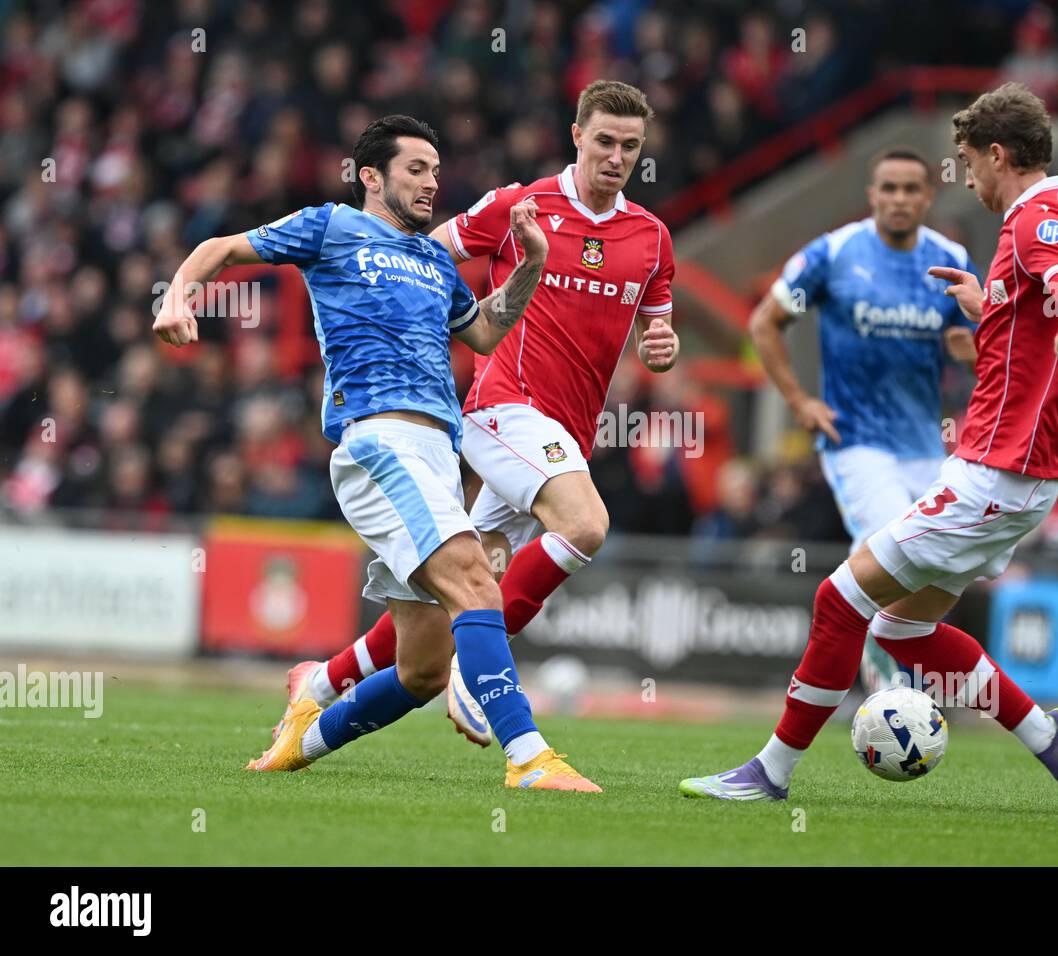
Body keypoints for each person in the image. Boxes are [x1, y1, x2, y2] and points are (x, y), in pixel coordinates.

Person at [680, 83, 1058, 811]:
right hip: (1010, 472)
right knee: (903, 626)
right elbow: (1040, 316)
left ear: (997, 154)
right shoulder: (1043, 213)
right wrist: (996, 310)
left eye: (968, 164)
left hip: (996, 472)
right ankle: (1050, 731)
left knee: (839, 598)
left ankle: (771, 772)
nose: (966, 179)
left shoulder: (1039, 214)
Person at [153, 115, 600, 792]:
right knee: (478, 582)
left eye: (436, 171)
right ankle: (530, 758)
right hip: (379, 443)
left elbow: (483, 332)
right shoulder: (331, 226)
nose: (431, 183)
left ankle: (304, 739)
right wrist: (181, 297)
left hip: (437, 457)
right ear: (372, 176)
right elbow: (223, 247)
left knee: (423, 667)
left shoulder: (431, 259)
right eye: (416, 170)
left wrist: (533, 263)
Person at [277, 80, 678, 747]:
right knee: (585, 525)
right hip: (504, 411)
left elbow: (657, 337)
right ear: (577, 136)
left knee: (442, 610)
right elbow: (426, 252)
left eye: (630, 146)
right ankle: (478, 674)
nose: (616, 155)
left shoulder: (652, 238)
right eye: (604, 140)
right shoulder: (521, 205)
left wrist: (660, 347)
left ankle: (317, 687)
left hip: (564, 439)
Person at [749, 146, 977, 694]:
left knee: (936, 563)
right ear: (872, 194)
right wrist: (800, 401)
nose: (899, 199)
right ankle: (886, 693)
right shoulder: (835, 253)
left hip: (925, 443)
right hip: (856, 441)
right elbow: (766, 322)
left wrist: (970, 351)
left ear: (928, 195)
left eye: (910, 189)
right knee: (889, 549)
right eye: (888, 189)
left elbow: (976, 343)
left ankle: (902, 677)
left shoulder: (950, 258)